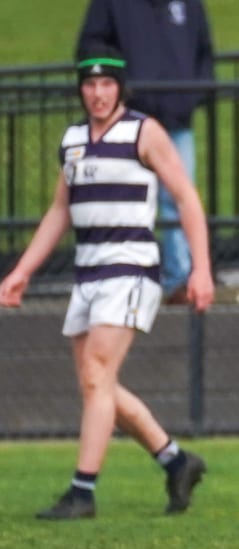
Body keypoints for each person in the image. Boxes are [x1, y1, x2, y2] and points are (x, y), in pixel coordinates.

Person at [0, 49, 212, 519]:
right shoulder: (73, 139)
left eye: (107, 85)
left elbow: (187, 198)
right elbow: (60, 210)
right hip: (88, 271)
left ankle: (82, 492)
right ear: (81, 89)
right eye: (90, 85)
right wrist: (21, 271)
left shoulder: (144, 131)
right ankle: (176, 461)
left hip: (131, 266)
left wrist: (200, 268)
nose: (98, 93)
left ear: (120, 88)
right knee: (98, 384)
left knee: (97, 374)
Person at [76, 0, 214, 303]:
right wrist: (122, 90)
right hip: (128, 121)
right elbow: (91, 48)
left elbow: (204, 50)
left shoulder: (188, 4)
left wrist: (195, 92)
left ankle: (181, 277)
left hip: (177, 116)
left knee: (179, 197)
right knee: (122, 198)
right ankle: (125, 275)